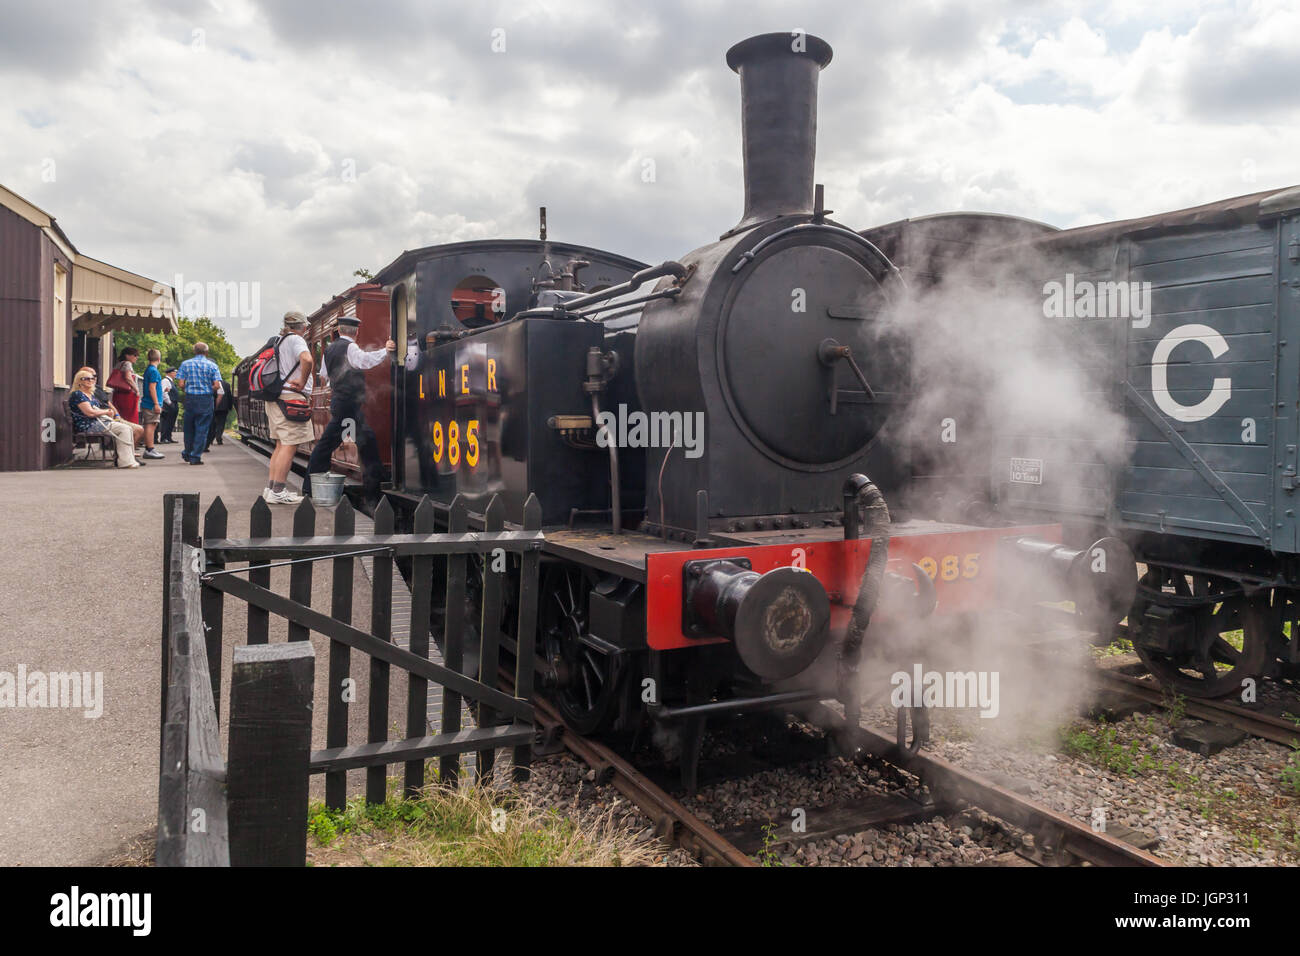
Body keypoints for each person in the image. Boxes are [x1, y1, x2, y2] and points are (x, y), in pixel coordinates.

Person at [304, 314, 395, 503]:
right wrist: (385, 351)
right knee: (329, 444)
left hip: (342, 403)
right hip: (349, 406)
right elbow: (364, 361)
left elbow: (324, 375)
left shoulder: (329, 349)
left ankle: (375, 488)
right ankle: (310, 487)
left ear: (339, 330)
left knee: (365, 440)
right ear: (356, 331)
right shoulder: (350, 347)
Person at [263, 311, 314, 503]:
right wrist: (302, 381)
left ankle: (272, 489)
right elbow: (307, 360)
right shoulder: (296, 340)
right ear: (303, 326)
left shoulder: (280, 340)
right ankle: (278, 491)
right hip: (291, 398)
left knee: (280, 444)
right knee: (289, 445)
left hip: (277, 397)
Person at [68, 368, 141, 468]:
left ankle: (128, 459)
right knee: (123, 429)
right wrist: (106, 412)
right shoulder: (78, 394)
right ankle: (125, 462)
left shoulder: (90, 394)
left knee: (127, 428)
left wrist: (109, 413)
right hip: (88, 425)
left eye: (92, 379)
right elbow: (90, 413)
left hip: (97, 422)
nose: (91, 381)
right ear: (79, 381)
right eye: (87, 379)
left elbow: (96, 410)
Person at [176, 342, 222, 465]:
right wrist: (207, 389)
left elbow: (180, 384)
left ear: (194, 351)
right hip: (206, 399)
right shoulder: (212, 366)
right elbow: (217, 385)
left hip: (190, 398)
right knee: (202, 429)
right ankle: (195, 456)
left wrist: (189, 389)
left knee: (189, 427)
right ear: (206, 352)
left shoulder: (185, 364)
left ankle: (187, 452)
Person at [138, 349, 166, 460]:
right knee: (150, 425)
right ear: (159, 359)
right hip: (151, 403)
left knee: (151, 424)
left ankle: (150, 448)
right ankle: (149, 449)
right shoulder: (154, 371)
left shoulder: (149, 370)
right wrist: (156, 403)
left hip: (148, 402)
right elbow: (152, 387)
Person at [108, 347, 141, 425]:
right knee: (129, 417)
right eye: (135, 355)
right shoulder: (127, 363)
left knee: (120, 414)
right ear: (127, 355)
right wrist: (136, 389)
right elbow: (128, 377)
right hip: (127, 394)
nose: (137, 357)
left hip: (118, 393)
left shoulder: (119, 364)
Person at [206, 377, 233, 451]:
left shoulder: (211, 383)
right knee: (221, 423)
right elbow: (229, 396)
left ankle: (211, 439)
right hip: (224, 407)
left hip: (214, 406)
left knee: (213, 423)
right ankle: (219, 438)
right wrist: (230, 406)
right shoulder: (227, 384)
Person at [157, 368, 179, 443]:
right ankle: (164, 437)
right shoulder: (165, 381)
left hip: (173, 402)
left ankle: (169, 437)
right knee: (166, 421)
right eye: (174, 372)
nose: (176, 374)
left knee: (171, 421)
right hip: (168, 403)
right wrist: (169, 402)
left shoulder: (171, 381)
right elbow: (163, 392)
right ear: (169, 373)